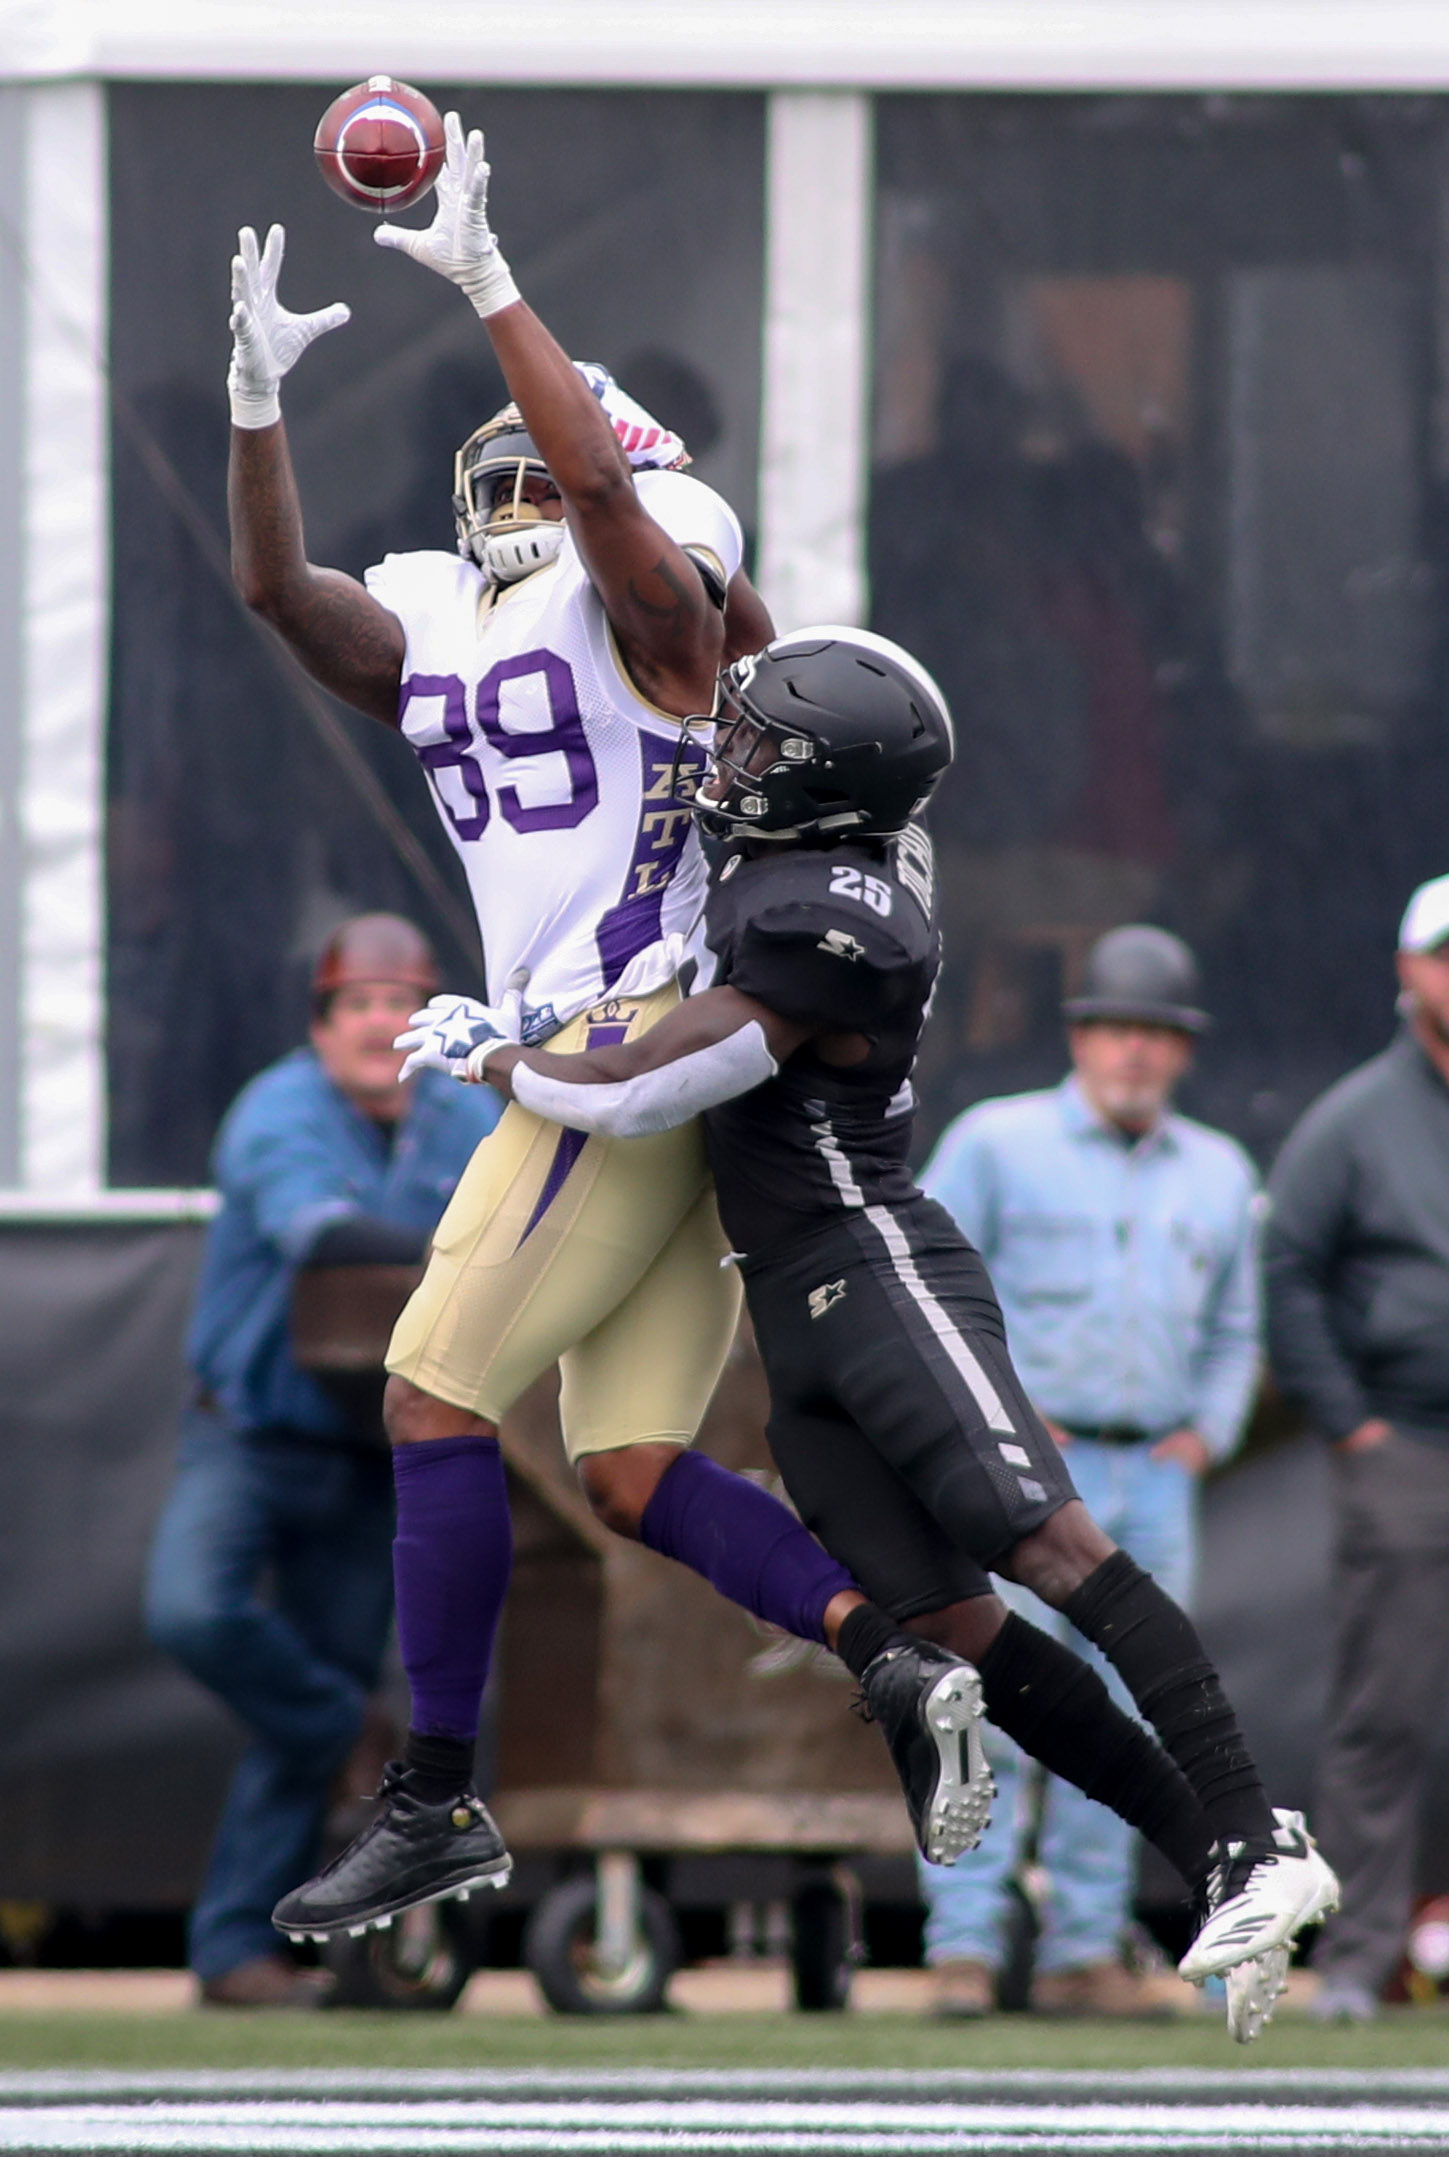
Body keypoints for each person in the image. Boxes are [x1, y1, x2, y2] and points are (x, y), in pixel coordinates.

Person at [226, 119, 990, 1945]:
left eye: (551, 470)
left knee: (430, 1392)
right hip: (647, 1078)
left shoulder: (663, 616)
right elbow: (277, 591)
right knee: (634, 1469)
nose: (518, 488)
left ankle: (435, 1794)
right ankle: (892, 1667)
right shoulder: (446, 615)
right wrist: (256, 412)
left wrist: (496, 288)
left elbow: (607, 505)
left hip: (617, 1049)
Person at [451, 624, 1340, 2043]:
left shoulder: (839, 921)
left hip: (871, 1263)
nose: (730, 757)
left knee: (1048, 1545)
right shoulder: (824, 851)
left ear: (829, 787)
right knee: (955, 1628)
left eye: (764, 745)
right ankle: (1215, 1855)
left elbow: (633, 1091)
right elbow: (738, 651)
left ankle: (1251, 1828)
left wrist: (497, 1056)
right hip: (789, 1292)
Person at [144, 913, 501, 2006]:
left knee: (325, 1690)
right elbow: (321, 1236)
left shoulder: (464, 1114)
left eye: (402, 1005)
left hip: (371, 1450)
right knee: (191, 1611)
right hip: (249, 1430)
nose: (382, 1025)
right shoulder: (279, 1108)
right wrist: (466, 1246)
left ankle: (232, 1953)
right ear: (321, 1025)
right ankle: (341, 1726)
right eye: (359, 1006)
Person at [912, 926, 1262, 2018]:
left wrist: (1206, 1432)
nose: (1134, 1050)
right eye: (1114, 1027)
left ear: (1184, 1050)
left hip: (1151, 1473)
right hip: (1018, 1476)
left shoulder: (1221, 1171)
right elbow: (915, 1287)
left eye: (1155, 1032)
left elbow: (1237, 1326)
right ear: (1078, 1036)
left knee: (1134, 1719)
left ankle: (1081, 1955)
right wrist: (998, 1425)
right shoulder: (995, 1142)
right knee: (987, 1704)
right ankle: (963, 1949)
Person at [1265, 870, 1449, 2024]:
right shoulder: (1355, 1120)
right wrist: (1352, 1422)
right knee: (1385, 1710)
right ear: (1408, 971)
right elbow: (1288, 1270)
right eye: (1448, 955)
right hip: (1408, 1447)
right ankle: (1357, 1958)